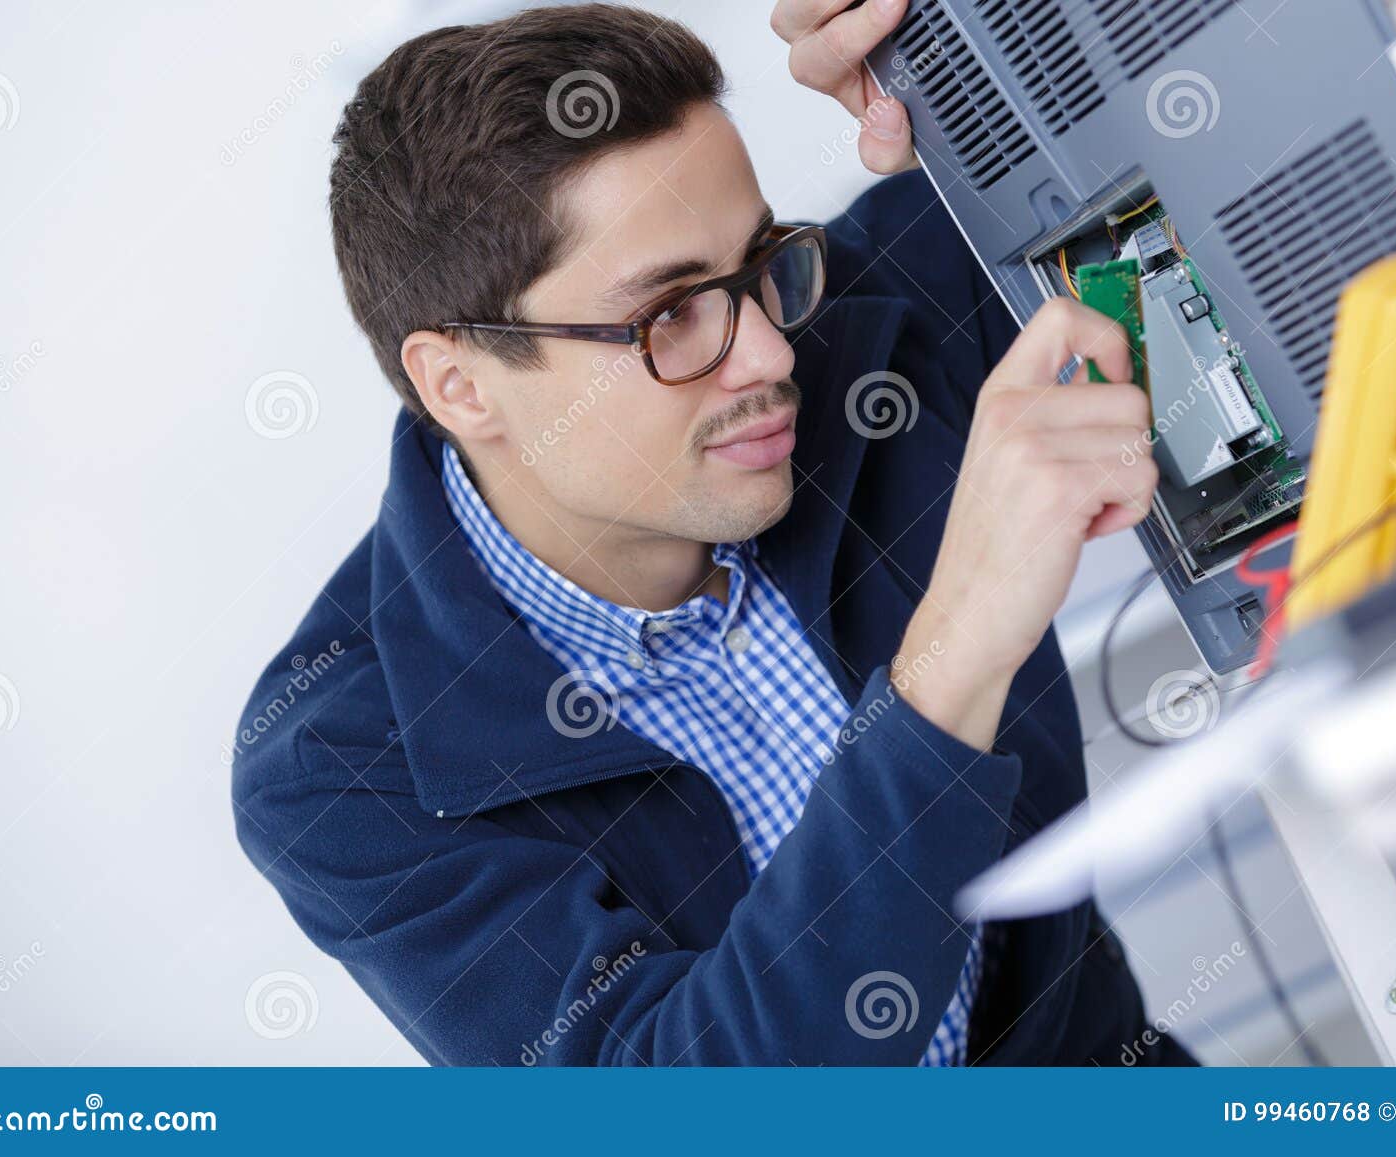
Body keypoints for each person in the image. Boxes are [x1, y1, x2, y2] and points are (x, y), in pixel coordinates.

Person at [232, 2, 1191, 1066]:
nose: (772, 354)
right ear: (460, 383)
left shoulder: (883, 329)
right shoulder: (345, 769)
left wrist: (971, 52)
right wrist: (951, 656)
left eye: (757, 265)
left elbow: (1202, 90)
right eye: (668, 315)